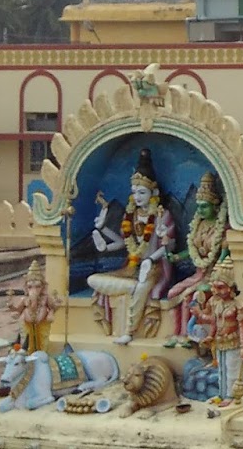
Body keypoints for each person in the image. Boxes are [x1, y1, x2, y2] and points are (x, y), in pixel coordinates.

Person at [88, 147, 178, 345]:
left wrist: (150, 259)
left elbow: (168, 246)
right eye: (134, 192)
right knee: (93, 280)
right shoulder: (131, 216)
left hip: (154, 269)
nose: (137, 197)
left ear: (153, 192)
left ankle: (129, 331)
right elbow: (123, 243)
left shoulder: (162, 215)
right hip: (131, 267)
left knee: (141, 288)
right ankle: (130, 288)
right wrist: (104, 238)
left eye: (142, 192)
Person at [164, 172, 230, 346]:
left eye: (204, 206)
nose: (200, 210)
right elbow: (192, 249)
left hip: (214, 275)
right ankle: (175, 333)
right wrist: (177, 256)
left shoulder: (222, 228)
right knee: (172, 293)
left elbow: (223, 257)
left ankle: (188, 334)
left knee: (190, 296)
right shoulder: (199, 224)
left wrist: (217, 277)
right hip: (198, 273)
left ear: (215, 206)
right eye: (198, 206)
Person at [200, 259, 243, 406]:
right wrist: (210, 335)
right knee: (222, 369)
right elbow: (214, 321)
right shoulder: (216, 303)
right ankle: (222, 394)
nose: (217, 291)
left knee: (233, 368)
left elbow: (242, 326)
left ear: (231, 288)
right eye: (215, 288)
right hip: (220, 341)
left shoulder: (237, 306)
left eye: (221, 287)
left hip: (233, 341)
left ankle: (232, 395)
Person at [6, 258, 61, 353]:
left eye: (37, 286)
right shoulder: (25, 299)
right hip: (27, 324)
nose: (34, 290)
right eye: (30, 287)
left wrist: (52, 311)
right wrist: (11, 306)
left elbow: (53, 307)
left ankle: (43, 356)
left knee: (43, 343)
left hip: (42, 324)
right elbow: (18, 310)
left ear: (43, 287)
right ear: (26, 288)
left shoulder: (45, 298)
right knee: (28, 343)